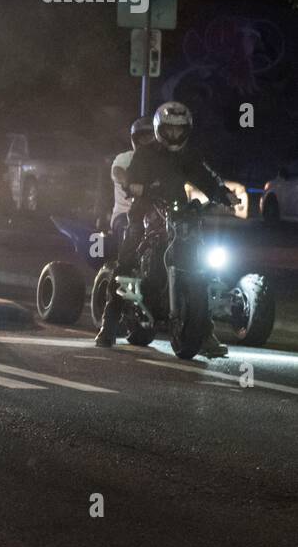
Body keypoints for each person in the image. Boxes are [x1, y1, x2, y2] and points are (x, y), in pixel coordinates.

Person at [96, 101, 238, 356]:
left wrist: (223, 194)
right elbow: (133, 178)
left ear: (187, 129)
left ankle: (204, 332)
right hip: (146, 211)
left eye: (179, 129)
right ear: (160, 129)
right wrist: (135, 186)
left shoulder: (189, 154)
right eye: (169, 129)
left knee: (201, 264)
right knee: (127, 258)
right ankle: (109, 322)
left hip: (179, 213)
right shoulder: (145, 153)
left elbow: (205, 176)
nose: (174, 134)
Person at [109, 116, 155, 247]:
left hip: (158, 216)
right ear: (135, 140)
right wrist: (128, 182)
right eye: (143, 138)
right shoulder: (126, 158)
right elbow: (117, 171)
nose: (147, 142)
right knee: (131, 232)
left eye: (151, 138)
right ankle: (124, 266)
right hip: (126, 213)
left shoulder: (162, 163)